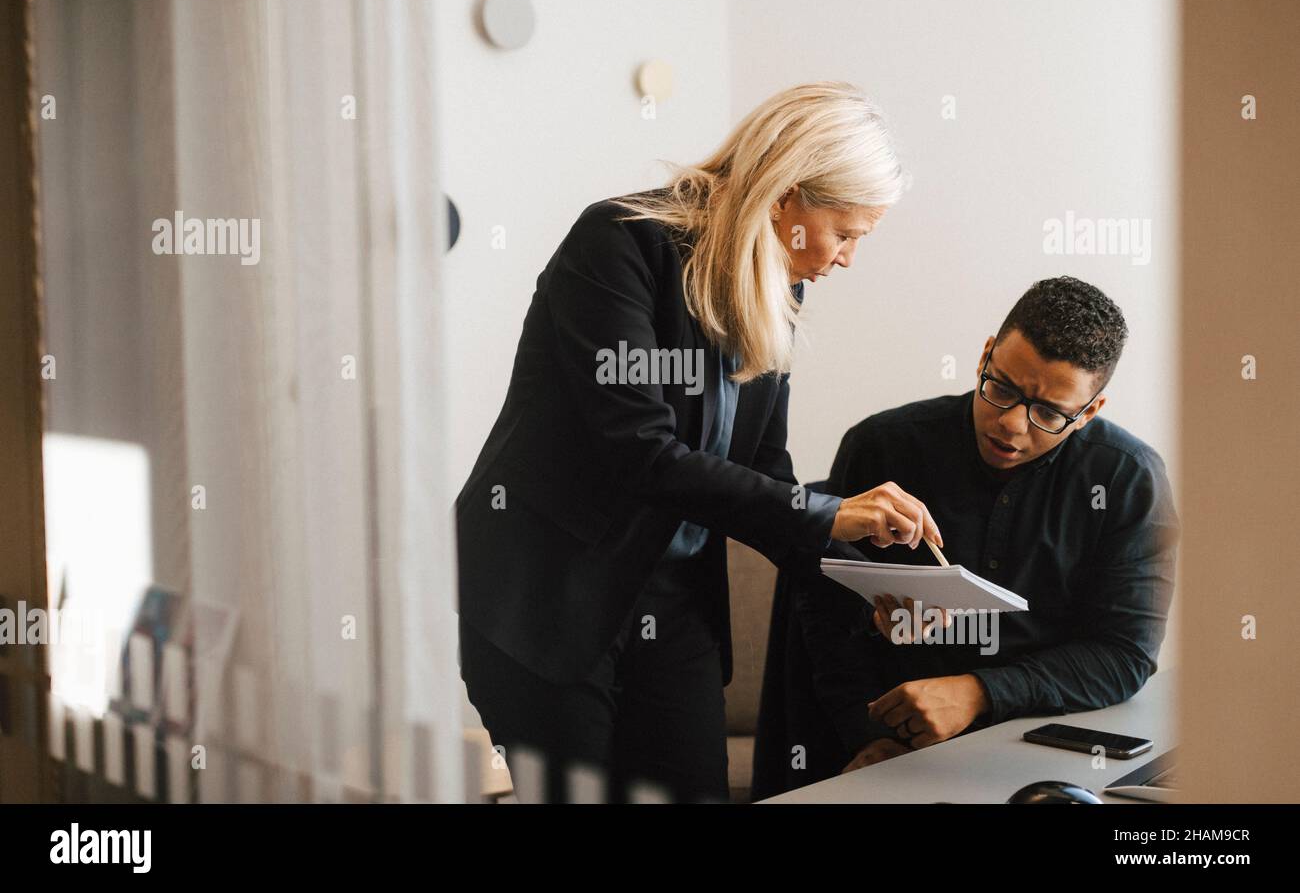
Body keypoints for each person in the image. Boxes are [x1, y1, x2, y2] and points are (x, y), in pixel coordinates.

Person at [456, 81, 943, 803]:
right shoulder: (621, 242)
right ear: (786, 198)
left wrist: (867, 577)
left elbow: (762, 469)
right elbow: (640, 452)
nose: (844, 260)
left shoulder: (779, 284)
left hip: (675, 598)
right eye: (846, 233)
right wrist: (830, 514)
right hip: (548, 597)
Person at [752, 276, 1179, 799]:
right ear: (984, 357)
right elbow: (821, 616)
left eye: (1048, 413)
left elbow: (1123, 654)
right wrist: (868, 735)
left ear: (1089, 412)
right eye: (1001, 388)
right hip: (875, 739)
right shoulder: (882, 445)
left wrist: (979, 693)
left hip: (1037, 745)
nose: (1011, 426)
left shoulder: (1128, 479)